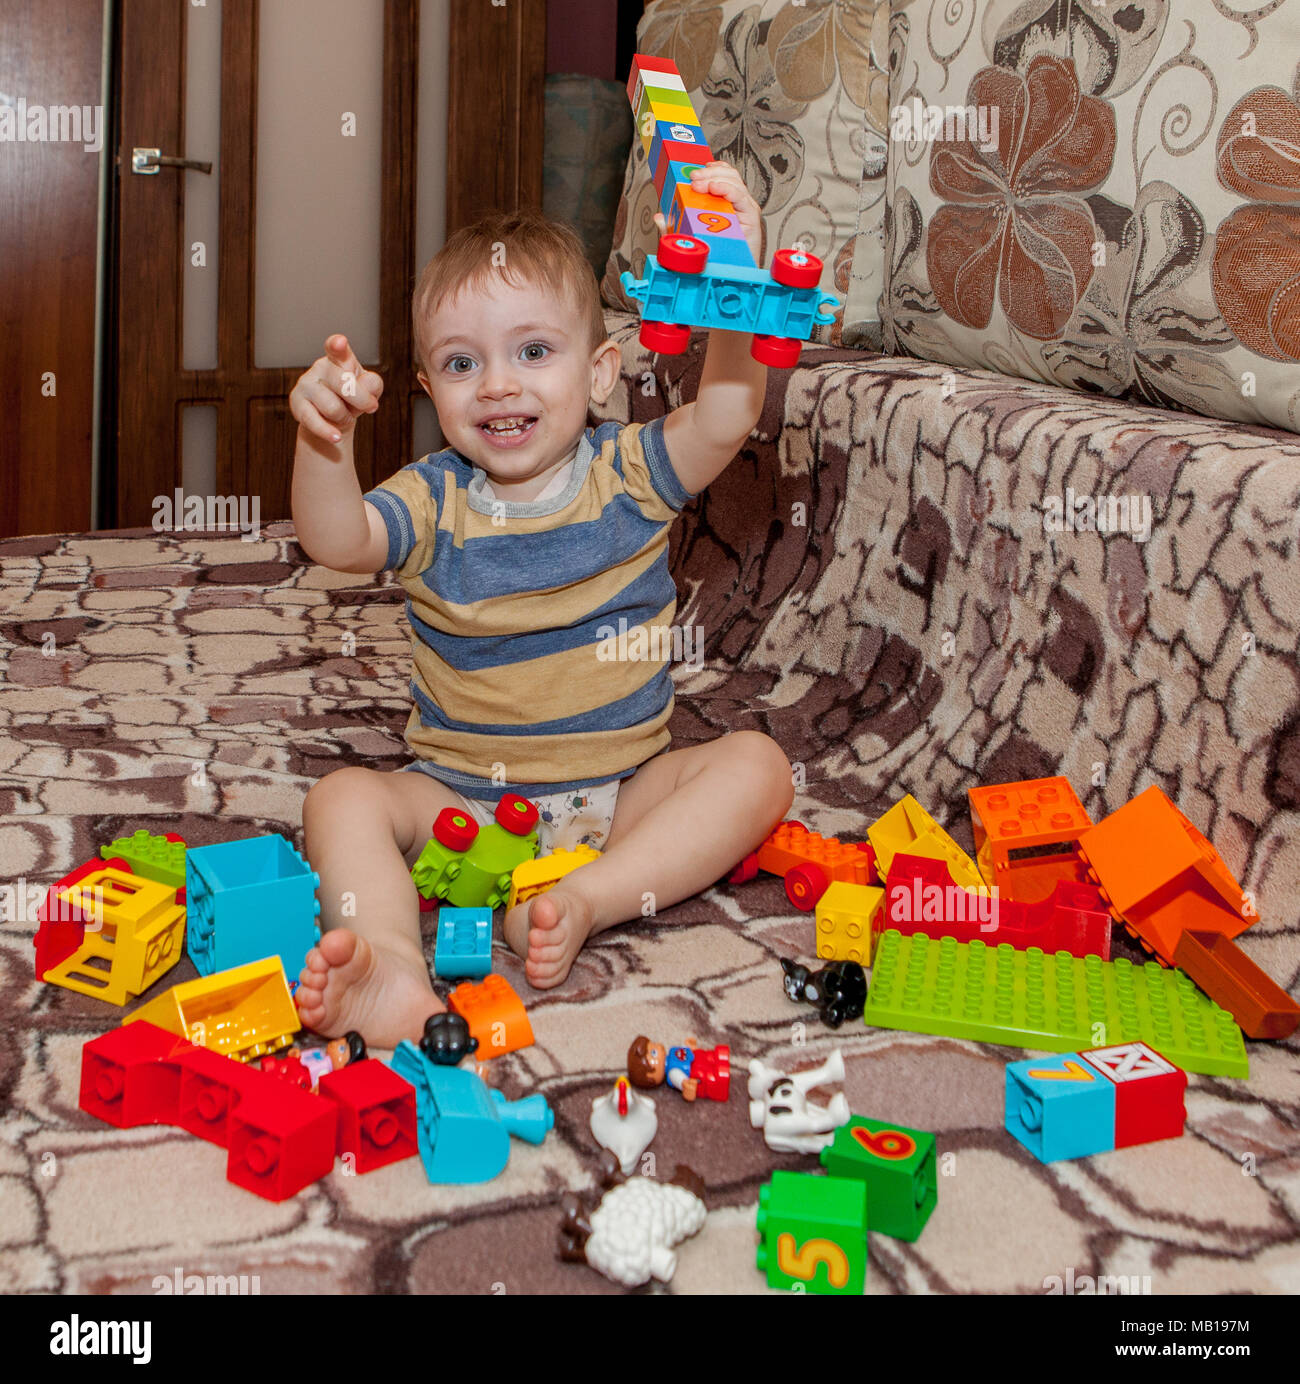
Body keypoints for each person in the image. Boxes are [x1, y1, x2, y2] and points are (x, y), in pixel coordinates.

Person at [289, 163, 794, 1045]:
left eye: (532, 352)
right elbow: (337, 542)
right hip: (457, 799)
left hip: (622, 794)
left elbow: (722, 414)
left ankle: (587, 898)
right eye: (461, 362)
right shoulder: (431, 498)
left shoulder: (630, 474)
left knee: (758, 767)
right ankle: (390, 968)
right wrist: (323, 438)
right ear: (428, 387)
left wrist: (733, 283)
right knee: (340, 800)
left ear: (602, 374)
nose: (496, 384)